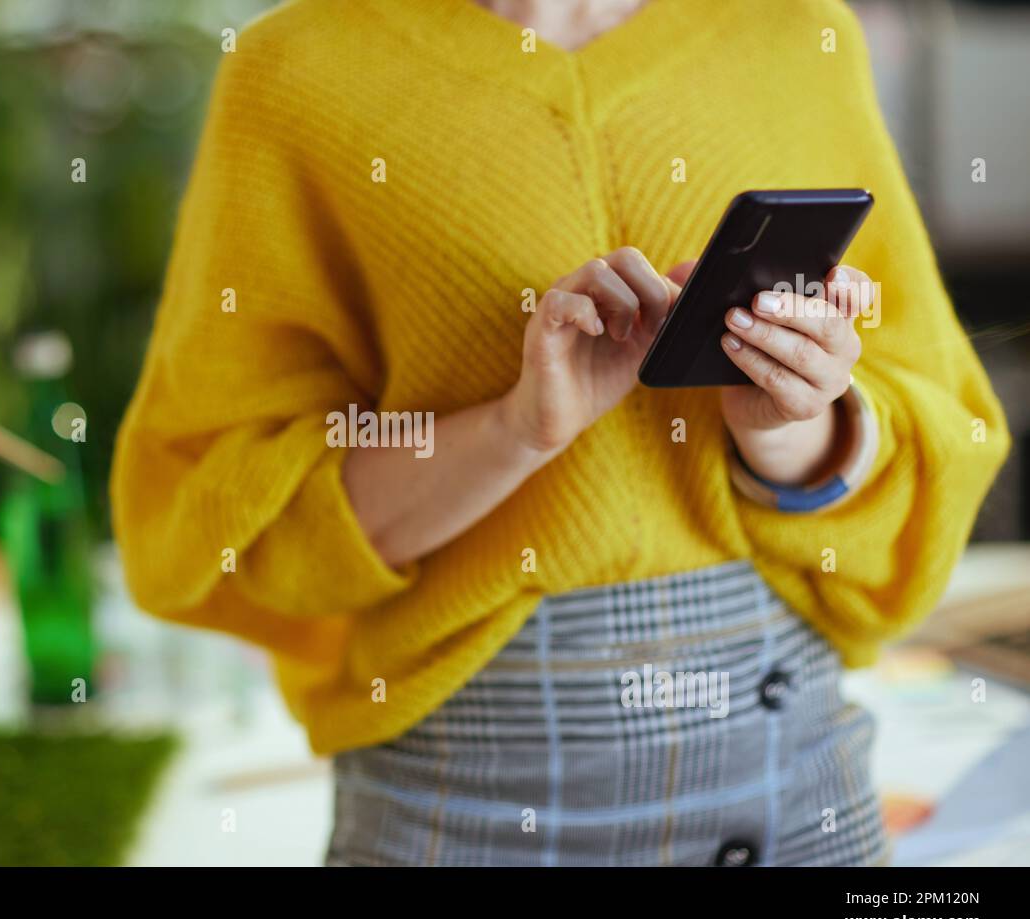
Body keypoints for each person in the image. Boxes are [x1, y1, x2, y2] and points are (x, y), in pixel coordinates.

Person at [111, 0, 1009, 865]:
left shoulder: (799, 34)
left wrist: (789, 428)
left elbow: (931, 413)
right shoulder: (296, 69)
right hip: (455, 799)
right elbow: (227, 503)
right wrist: (517, 429)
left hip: (792, 782)